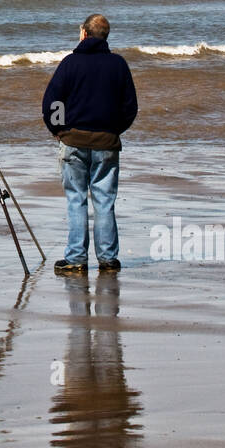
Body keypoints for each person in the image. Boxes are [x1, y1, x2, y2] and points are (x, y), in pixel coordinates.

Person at [41, 14, 138, 273]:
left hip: (73, 140)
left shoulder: (70, 63)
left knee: (77, 200)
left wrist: (59, 129)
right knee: (104, 201)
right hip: (106, 142)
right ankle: (107, 259)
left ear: (83, 33)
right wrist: (113, 129)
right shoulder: (118, 64)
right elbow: (129, 108)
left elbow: (53, 102)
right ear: (105, 36)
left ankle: (76, 259)